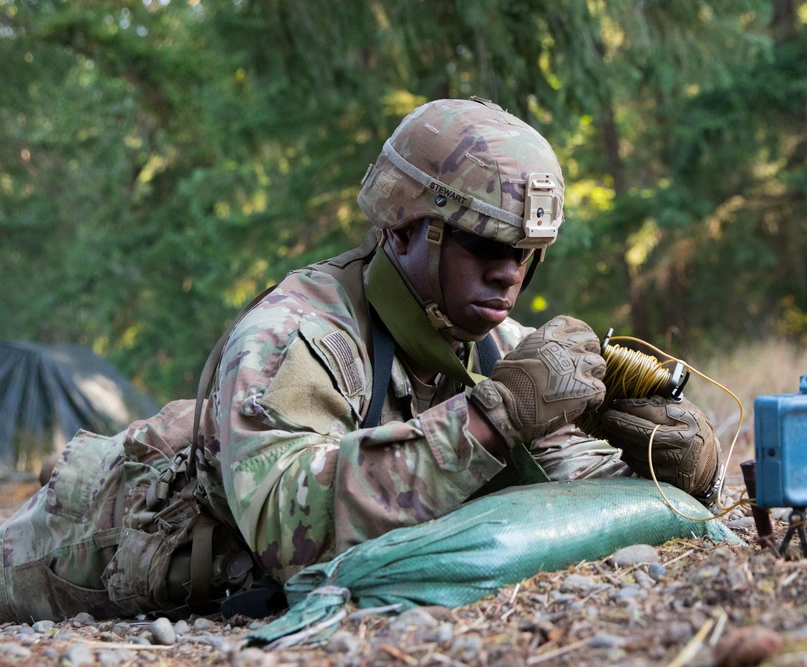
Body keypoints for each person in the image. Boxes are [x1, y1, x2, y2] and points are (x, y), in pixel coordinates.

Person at [0, 98, 722, 623]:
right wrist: (494, 419)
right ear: (403, 231)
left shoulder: (493, 346)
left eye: (527, 254)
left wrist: (676, 462)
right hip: (84, 540)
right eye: (483, 245)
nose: (509, 274)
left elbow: (563, 486)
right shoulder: (296, 334)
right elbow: (285, 528)